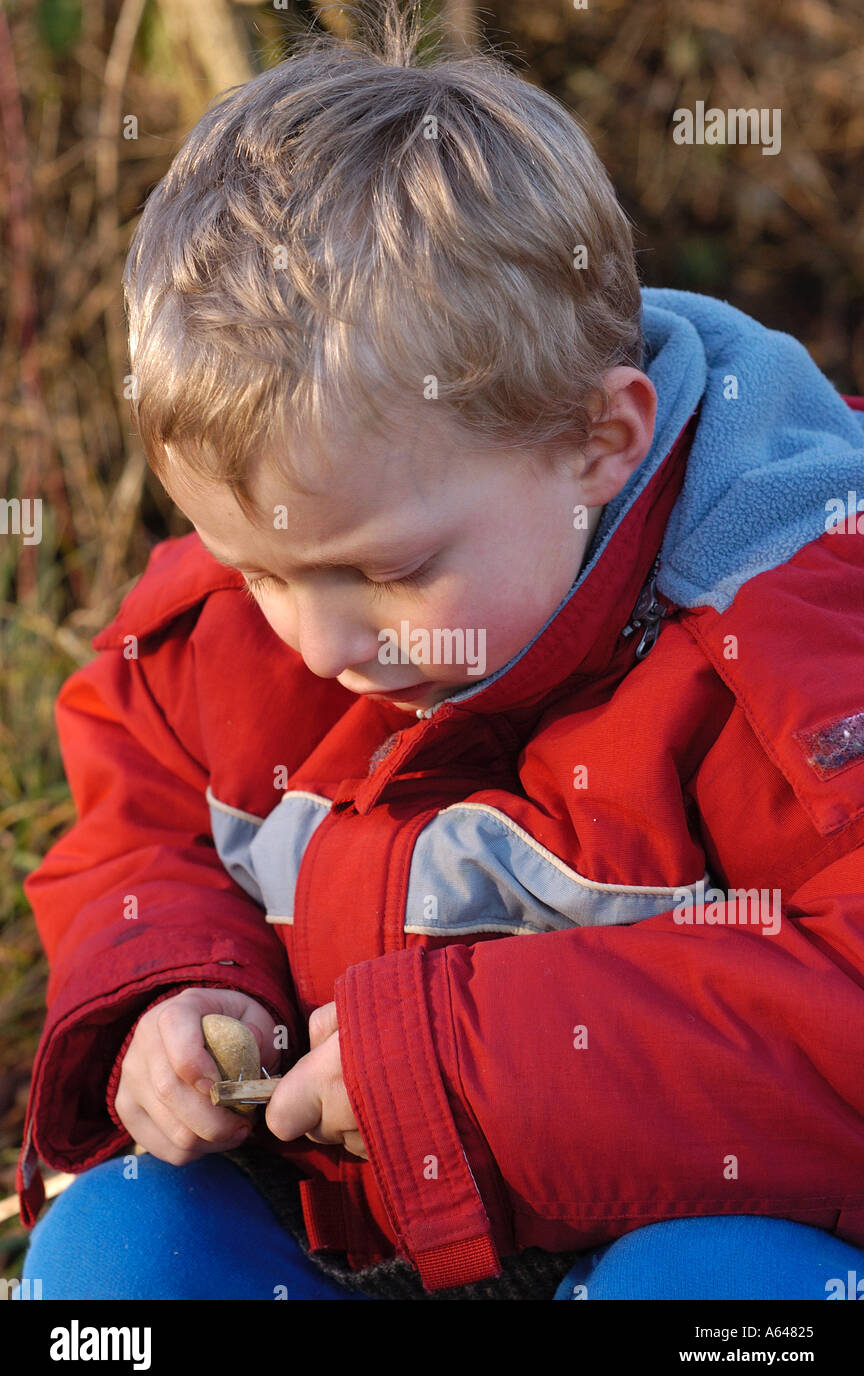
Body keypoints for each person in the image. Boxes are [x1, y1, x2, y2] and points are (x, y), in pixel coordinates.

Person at [15, 2, 864, 1300]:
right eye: (258, 567)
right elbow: (139, 815)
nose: (320, 637)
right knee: (122, 1252)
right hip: (365, 1235)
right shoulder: (282, 595)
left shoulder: (791, 629)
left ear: (600, 442)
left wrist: (462, 1072)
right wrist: (171, 994)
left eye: (394, 571)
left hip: (706, 1226)